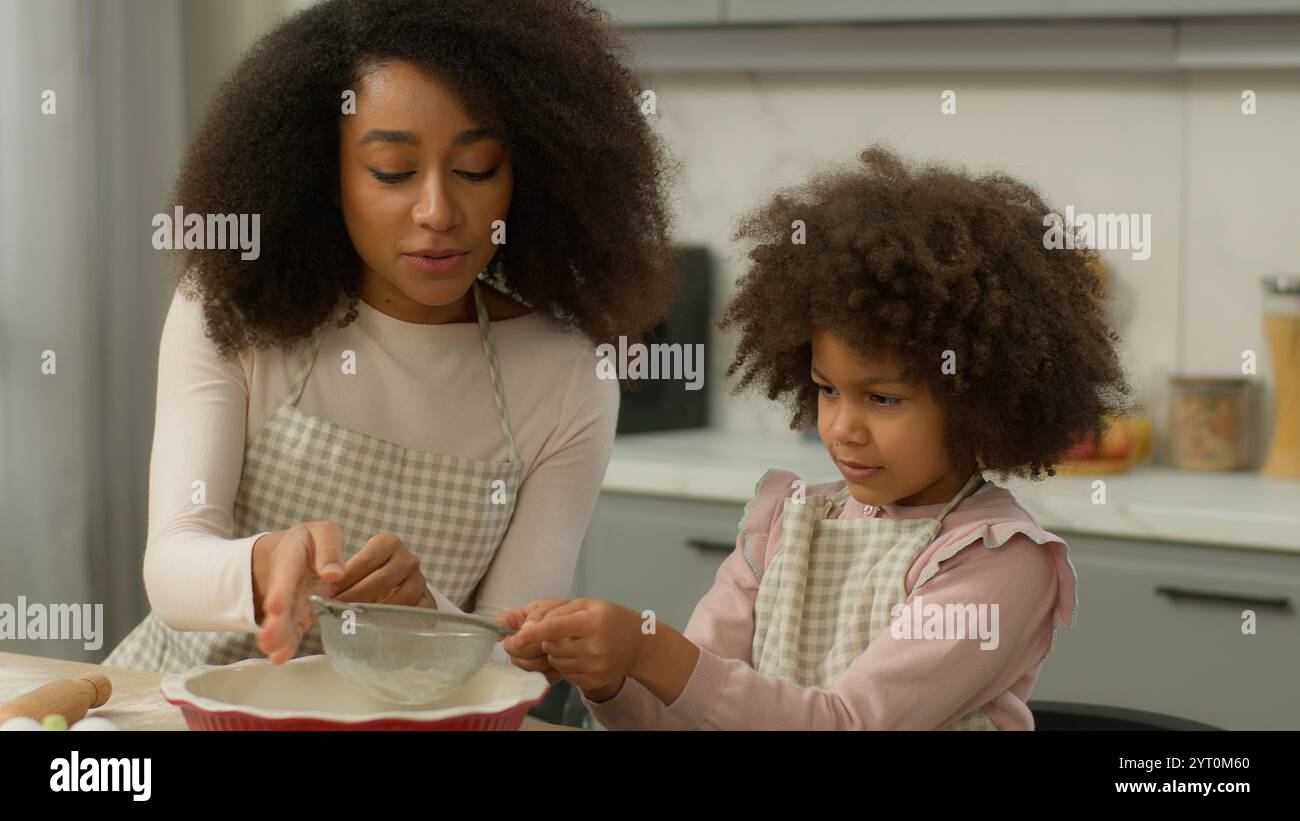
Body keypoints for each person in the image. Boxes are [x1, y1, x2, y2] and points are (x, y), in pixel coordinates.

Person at [104, 0, 680, 673]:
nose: (438, 211)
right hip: (172, 706)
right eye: (392, 172)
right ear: (325, 169)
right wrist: (263, 564)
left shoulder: (569, 376)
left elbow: (512, 656)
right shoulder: (233, 307)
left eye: (477, 169)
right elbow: (171, 565)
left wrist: (426, 612)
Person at [501, 145, 1130, 730]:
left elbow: (847, 722)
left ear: (978, 400)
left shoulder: (998, 562)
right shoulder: (783, 525)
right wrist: (614, 675)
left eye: (882, 398)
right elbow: (687, 718)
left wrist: (651, 648)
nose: (842, 428)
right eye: (828, 390)